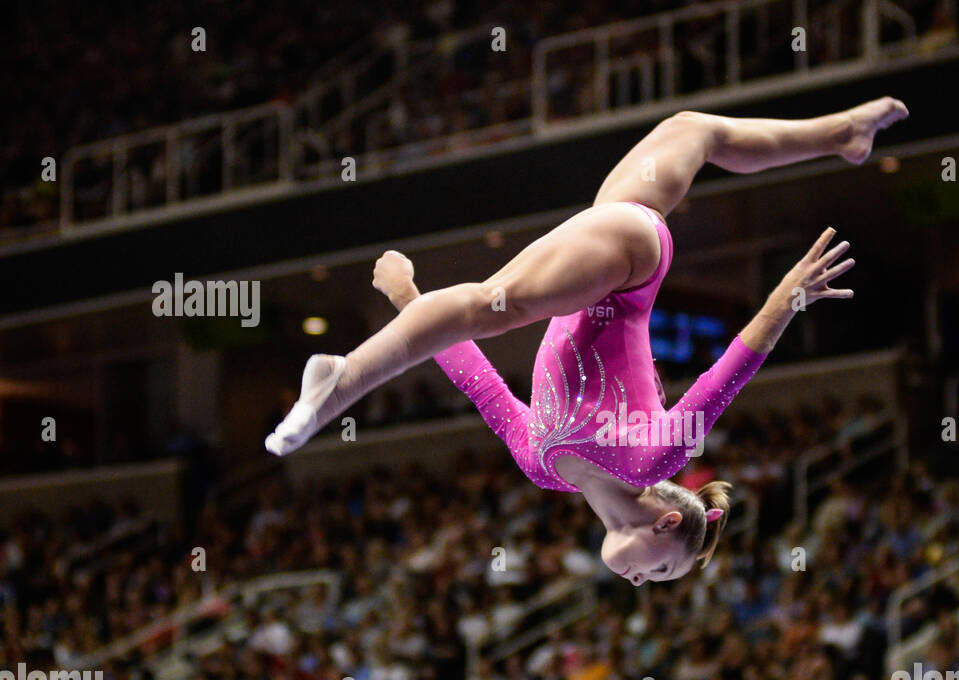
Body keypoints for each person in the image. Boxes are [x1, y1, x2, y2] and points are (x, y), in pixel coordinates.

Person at [265, 99, 909, 584]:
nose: (641, 584)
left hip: (601, 249)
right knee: (499, 303)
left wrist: (406, 297)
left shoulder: (541, 468)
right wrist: (788, 296)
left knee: (695, 130)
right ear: (665, 522)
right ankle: (340, 382)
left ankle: (841, 135)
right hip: (626, 266)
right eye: (661, 572)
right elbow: (730, 371)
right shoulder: (653, 460)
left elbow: (478, 381)